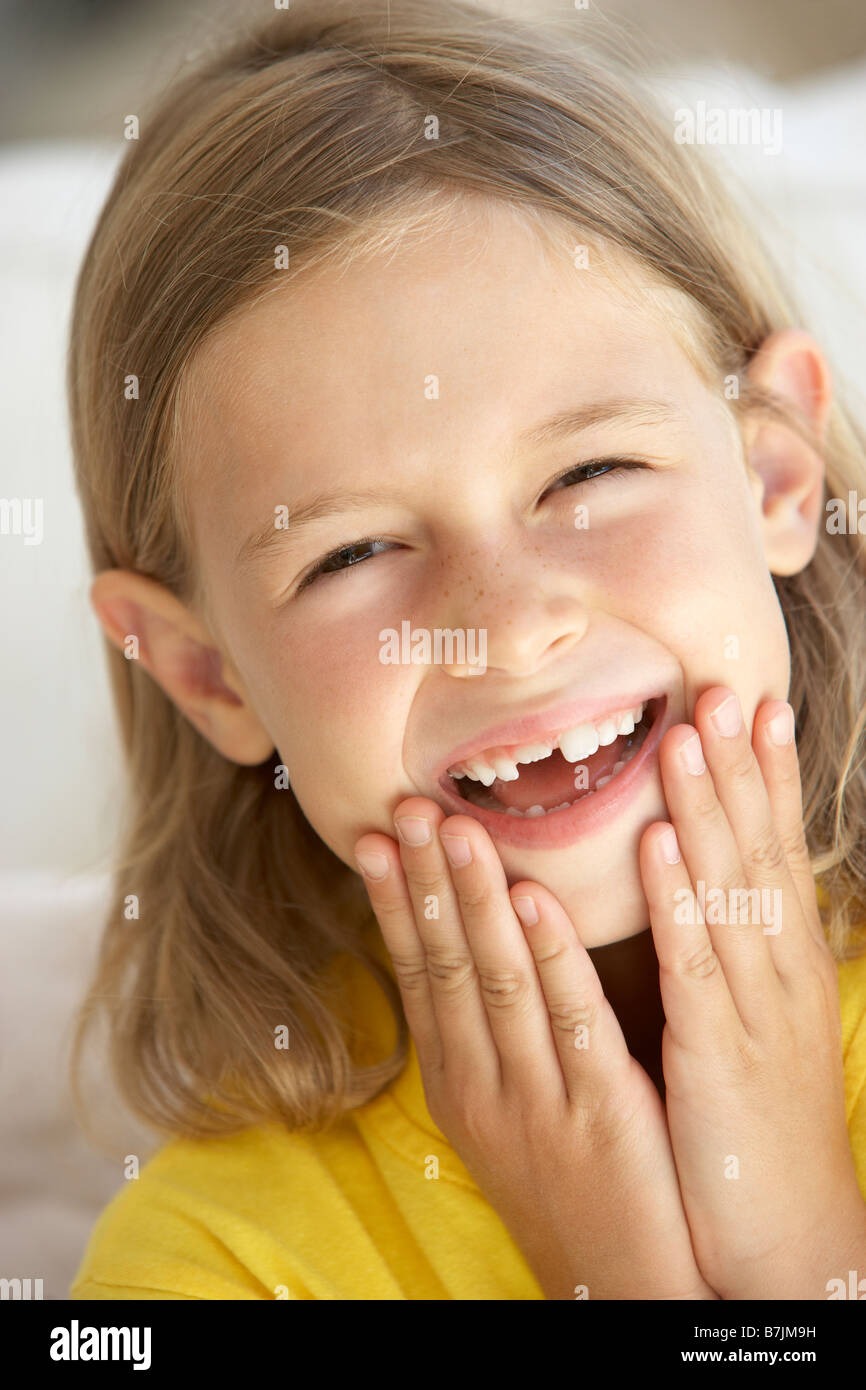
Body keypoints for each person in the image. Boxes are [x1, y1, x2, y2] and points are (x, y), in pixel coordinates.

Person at [67, 0, 866, 1300]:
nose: (505, 623)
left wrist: (801, 1249)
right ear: (205, 672)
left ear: (773, 475)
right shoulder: (202, 1261)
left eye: (592, 470)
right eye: (348, 554)